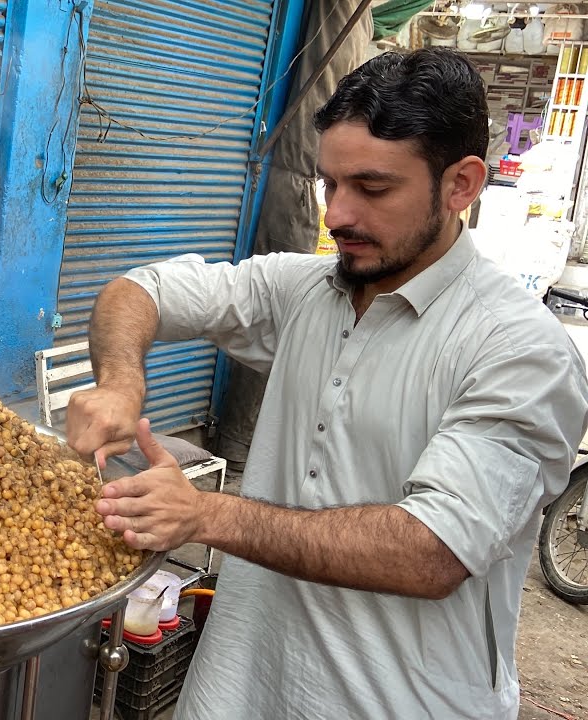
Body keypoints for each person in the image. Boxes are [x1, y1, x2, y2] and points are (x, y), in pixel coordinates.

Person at [66, 48, 588, 719]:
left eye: (372, 189)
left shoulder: (519, 350)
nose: (336, 215)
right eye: (328, 184)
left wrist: (206, 515)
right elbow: (140, 291)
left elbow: (433, 551)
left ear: (461, 184)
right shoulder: (309, 290)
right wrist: (120, 383)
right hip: (236, 690)